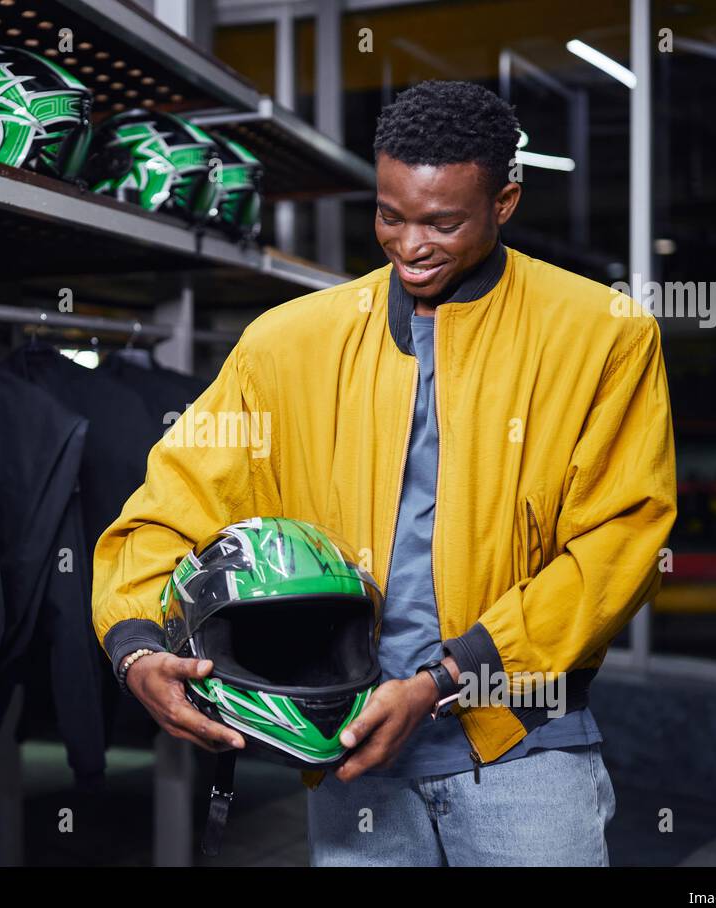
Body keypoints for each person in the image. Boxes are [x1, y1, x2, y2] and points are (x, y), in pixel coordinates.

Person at [91, 80, 677, 866]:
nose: (409, 245)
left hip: (522, 748)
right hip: (350, 748)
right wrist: (134, 645)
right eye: (388, 215)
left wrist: (444, 680)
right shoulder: (287, 344)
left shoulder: (602, 337)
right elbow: (171, 507)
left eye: (442, 221)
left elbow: (619, 546)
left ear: (505, 201)